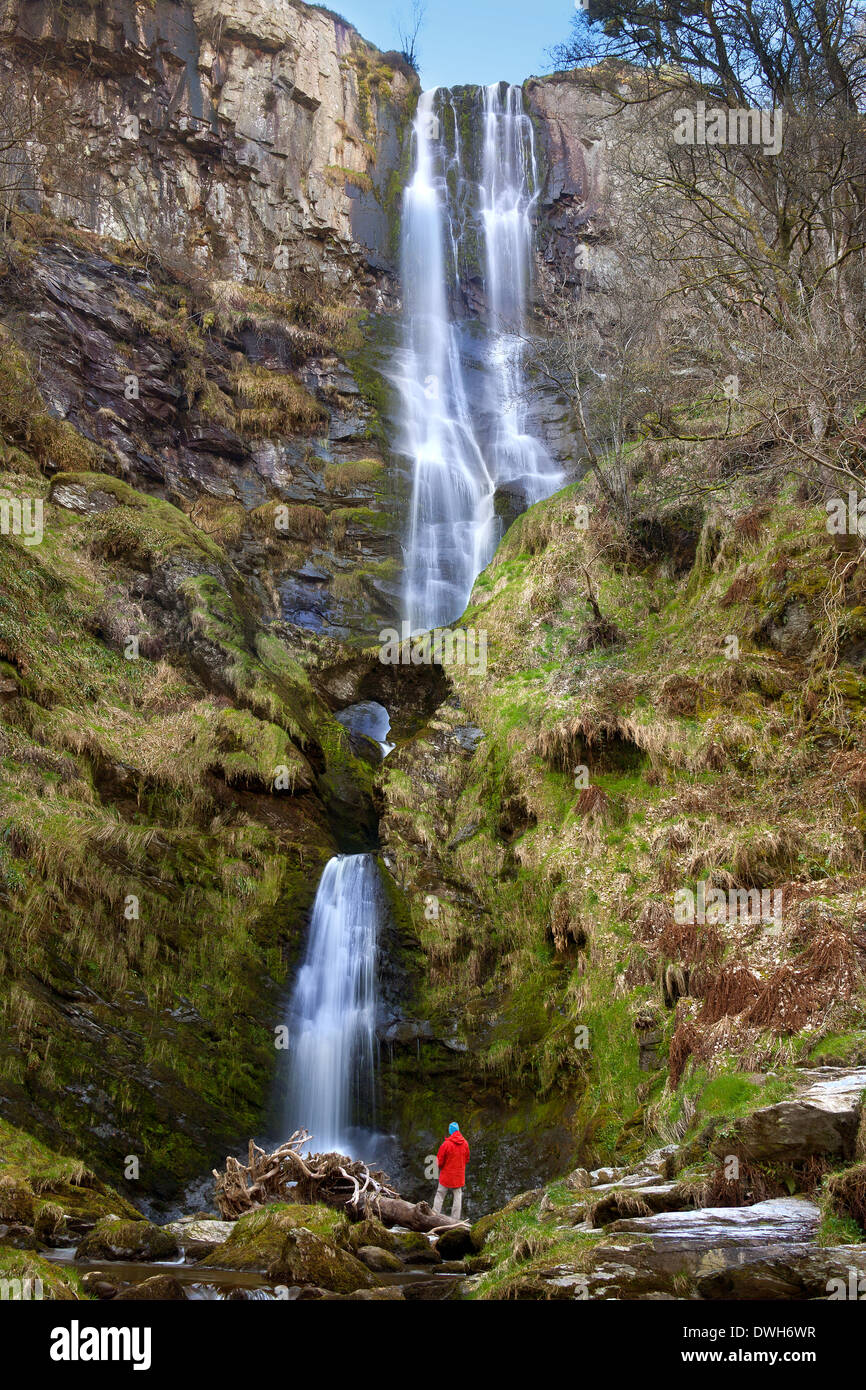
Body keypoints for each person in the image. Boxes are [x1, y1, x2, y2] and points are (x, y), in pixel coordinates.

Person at [432, 1121, 469, 1220]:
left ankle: (434, 1215)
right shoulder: (465, 1143)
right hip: (459, 1176)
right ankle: (455, 1219)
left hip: (446, 1175)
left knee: (440, 1194)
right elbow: (467, 1159)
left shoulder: (446, 1144)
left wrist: (440, 1166)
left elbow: (439, 1161)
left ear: (451, 1131)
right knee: (458, 1195)